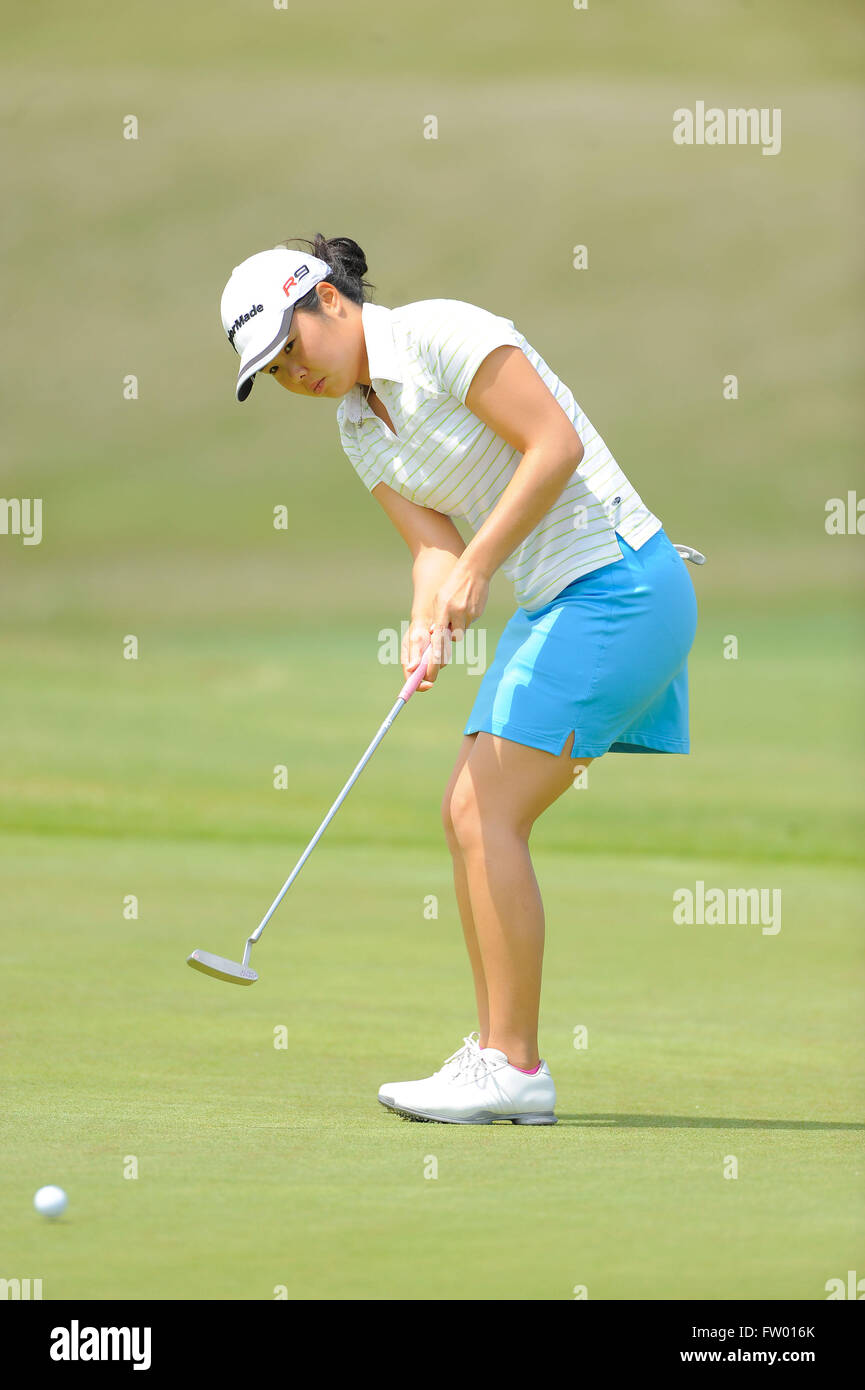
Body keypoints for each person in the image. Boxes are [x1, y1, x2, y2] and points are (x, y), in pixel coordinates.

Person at [219, 233, 700, 1125]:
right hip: (562, 598)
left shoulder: (442, 332)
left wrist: (478, 567)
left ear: (327, 298)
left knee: (485, 811)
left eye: (292, 349)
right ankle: (497, 1059)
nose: (294, 375)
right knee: (469, 814)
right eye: (274, 373)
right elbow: (433, 549)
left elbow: (550, 446)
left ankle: (511, 1066)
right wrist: (423, 619)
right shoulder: (357, 426)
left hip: (620, 581)